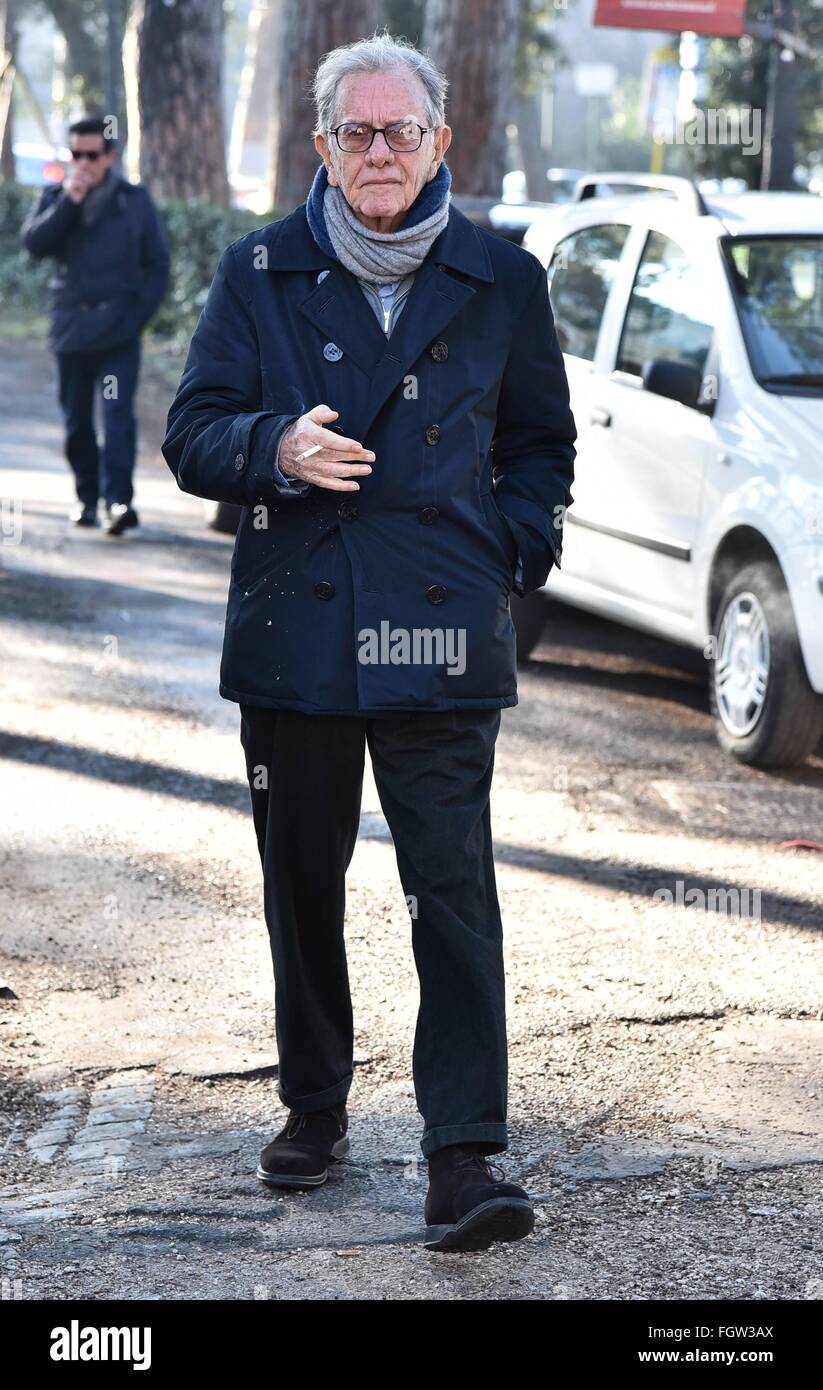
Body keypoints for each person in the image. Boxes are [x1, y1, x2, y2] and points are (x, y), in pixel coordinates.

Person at [162, 33, 576, 1254]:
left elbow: (539, 442)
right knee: (303, 885)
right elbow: (191, 429)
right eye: (356, 132)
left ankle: (463, 1153)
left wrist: (511, 548)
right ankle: (316, 1101)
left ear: (443, 140)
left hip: (442, 627)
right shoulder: (259, 269)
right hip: (302, 622)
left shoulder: (503, 278)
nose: (380, 151)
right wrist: (275, 448)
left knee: (451, 892)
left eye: (401, 130)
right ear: (323, 148)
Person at [22, 115, 170, 534]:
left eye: (92, 155)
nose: (83, 162)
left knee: (116, 413)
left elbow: (157, 264)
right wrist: (69, 201)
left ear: (109, 156)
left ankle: (118, 501)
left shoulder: (134, 201)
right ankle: (87, 497)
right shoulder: (55, 196)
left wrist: (137, 317)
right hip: (71, 332)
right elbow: (34, 244)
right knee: (77, 421)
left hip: (118, 335)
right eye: (76, 154)